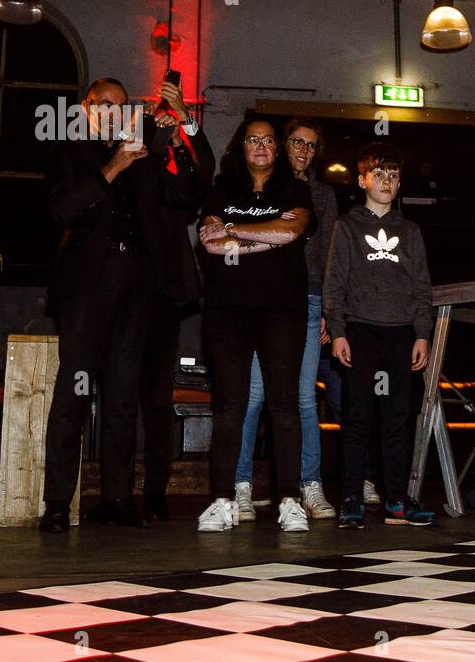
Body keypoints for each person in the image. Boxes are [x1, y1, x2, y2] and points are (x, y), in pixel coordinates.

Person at [40, 77, 206, 533]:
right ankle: (57, 502)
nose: (114, 111)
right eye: (105, 104)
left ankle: (118, 497)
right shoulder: (69, 150)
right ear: (86, 108)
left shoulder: (142, 153)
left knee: (122, 397)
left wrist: (179, 139)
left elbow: (184, 196)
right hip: (87, 286)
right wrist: (111, 167)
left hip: (137, 285)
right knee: (74, 392)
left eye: (121, 104)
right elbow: (64, 211)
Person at [196, 118, 313, 532]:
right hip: (228, 310)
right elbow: (210, 243)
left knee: (285, 405)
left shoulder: (295, 188)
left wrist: (232, 228)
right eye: (252, 139)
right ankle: (223, 501)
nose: (260, 146)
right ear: (240, 146)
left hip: (283, 309)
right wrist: (266, 236)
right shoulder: (222, 186)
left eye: (267, 139)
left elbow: (292, 231)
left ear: (276, 148)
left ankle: (289, 501)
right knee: (230, 405)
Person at [230, 117, 340, 521]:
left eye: (312, 145)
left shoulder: (324, 196)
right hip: (269, 300)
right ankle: (240, 487)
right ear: (282, 144)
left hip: (308, 301)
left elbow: (329, 254)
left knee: (305, 398)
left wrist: (330, 308)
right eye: (297, 141)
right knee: (255, 396)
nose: (304, 150)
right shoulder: (266, 188)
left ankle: (309, 487)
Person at [323, 142, 434, 529]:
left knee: (397, 418)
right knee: (356, 417)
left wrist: (422, 333)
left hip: (401, 335)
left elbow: (423, 286)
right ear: (362, 180)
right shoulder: (347, 226)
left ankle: (397, 499)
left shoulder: (411, 230)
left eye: (393, 175)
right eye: (379, 174)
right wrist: (338, 331)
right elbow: (334, 283)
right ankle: (352, 497)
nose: (387, 181)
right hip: (361, 331)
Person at [137, 79, 215, 521]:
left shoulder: (179, 169)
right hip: (124, 289)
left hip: (164, 292)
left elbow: (202, 175)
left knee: (157, 396)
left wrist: (185, 120)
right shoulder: (135, 152)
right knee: (121, 393)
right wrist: (156, 127)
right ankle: (114, 491)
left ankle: (155, 489)